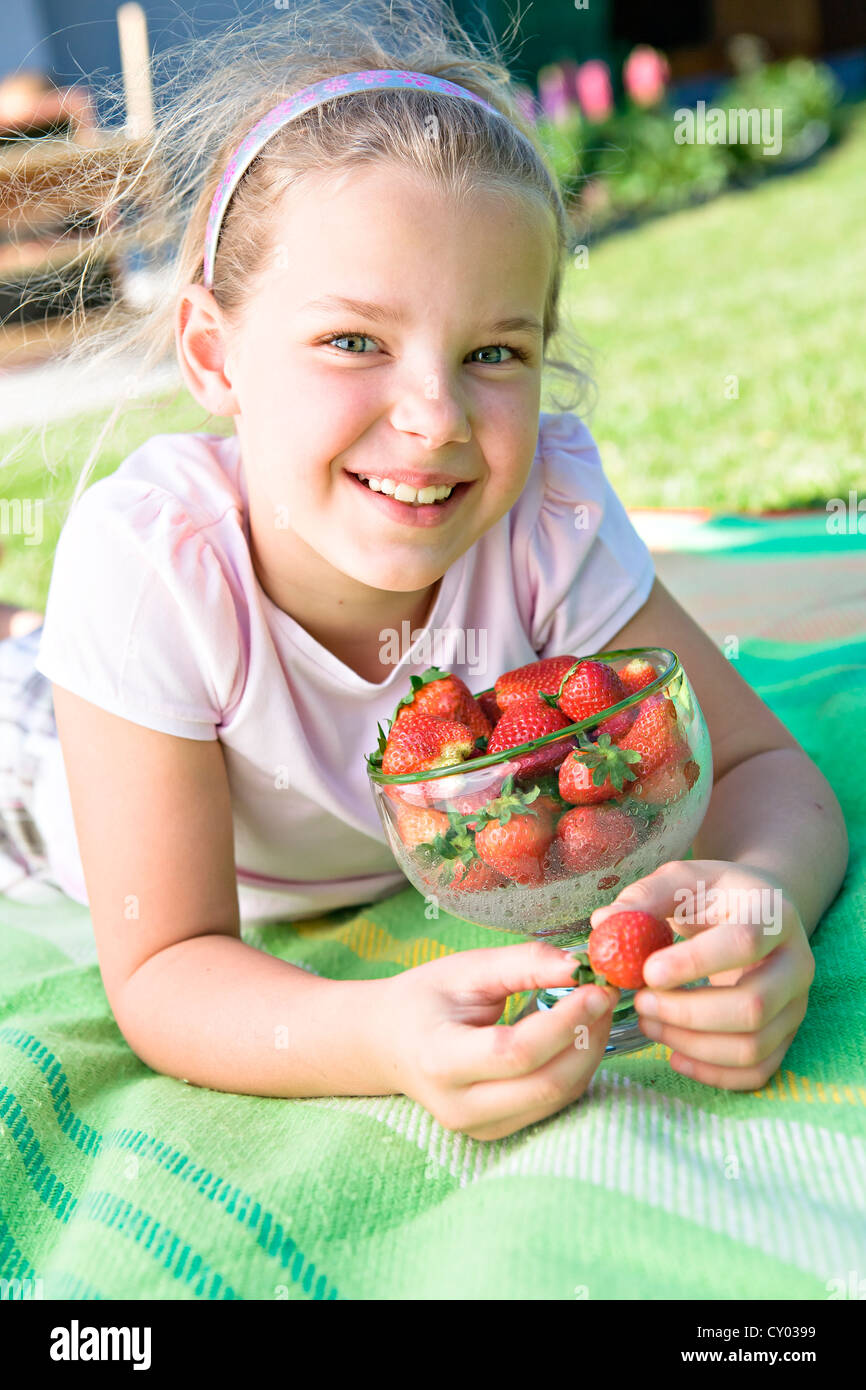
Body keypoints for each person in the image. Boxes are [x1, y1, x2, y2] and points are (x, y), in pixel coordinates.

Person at [0, 2, 846, 1142]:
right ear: (213, 355)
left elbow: (765, 771)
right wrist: (378, 1036)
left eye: (492, 352)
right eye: (353, 340)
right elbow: (165, 965)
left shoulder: (539, 510)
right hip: (37, 758)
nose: (434, 416)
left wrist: (755, 902)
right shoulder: (155, 566)